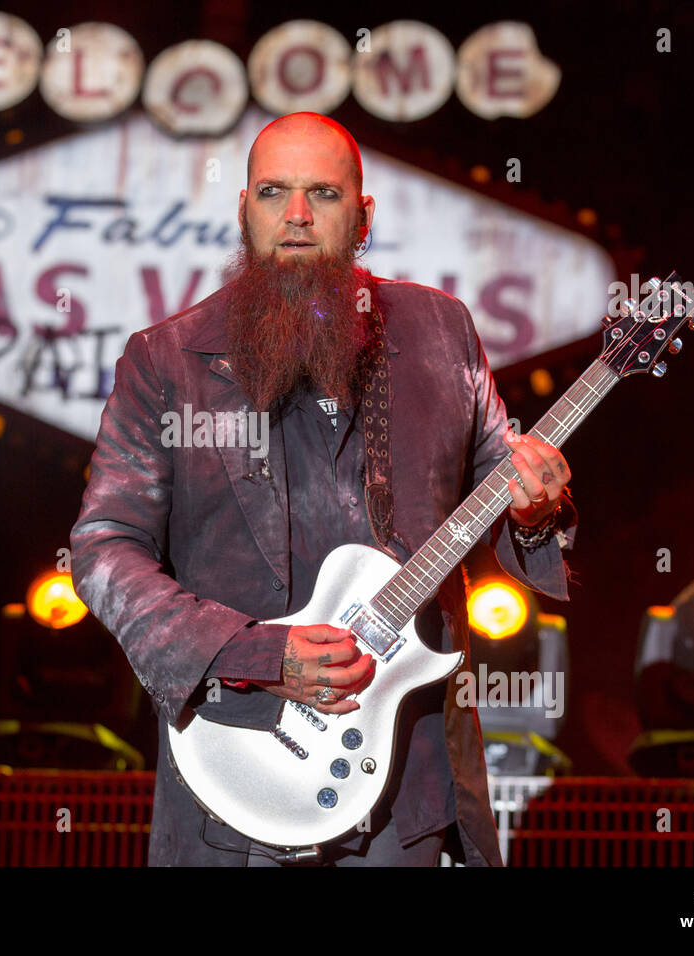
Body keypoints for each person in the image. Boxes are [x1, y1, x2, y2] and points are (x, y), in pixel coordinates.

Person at [70, 112, 577, 866]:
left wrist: (536, 512)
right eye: (274, 192)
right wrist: (255, 653)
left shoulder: (440, 332)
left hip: (406, 789)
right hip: (237, 779)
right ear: (244, 210)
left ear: (364, 216)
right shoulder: (166, 363)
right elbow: (104, 549)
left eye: (323, 194)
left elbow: (502, 496)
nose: (297, 216)